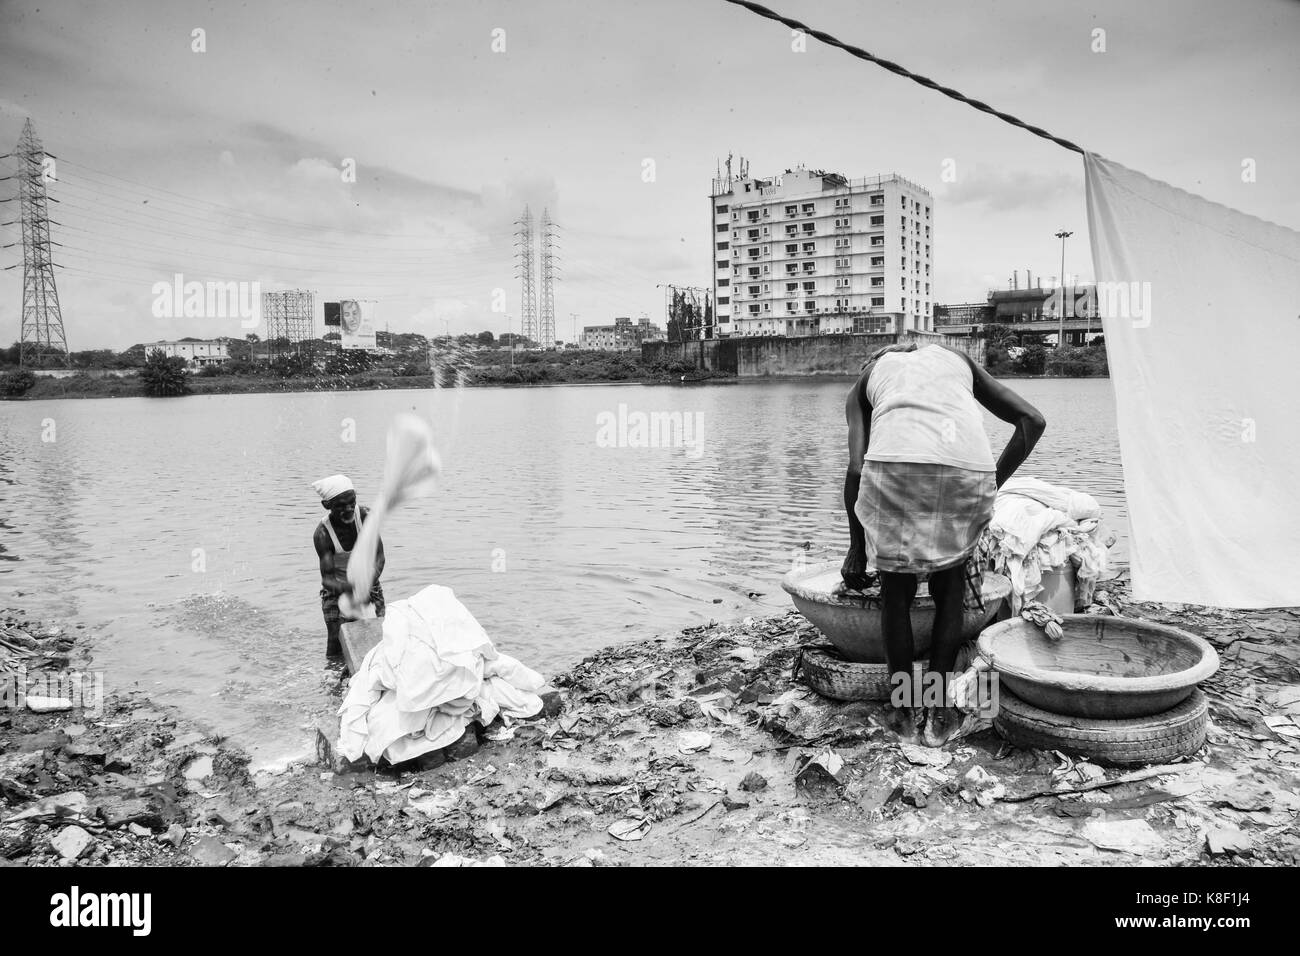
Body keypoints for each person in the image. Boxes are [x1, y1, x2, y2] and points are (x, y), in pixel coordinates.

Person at [842, 343, 1045, 746]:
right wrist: (991, 483)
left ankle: (903, 709)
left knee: (896, 594)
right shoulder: (956, 358)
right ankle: (939, 706)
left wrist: (856, 549)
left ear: (875, 363)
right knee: (949, 589)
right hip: (968, 472)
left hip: (893, 468)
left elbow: (854, 467)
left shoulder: (864, 383)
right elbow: (1032, 421)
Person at [312, 474, 385, 659]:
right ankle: (332, 680)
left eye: (352, 502)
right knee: (336, 643)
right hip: (337, 590)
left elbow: (380, 558)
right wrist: (350, 590)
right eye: (341, 506)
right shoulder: (323, 534)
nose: (349, 509)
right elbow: (328, 579)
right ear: (327, 506)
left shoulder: (366, 517)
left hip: (369, 584)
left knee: (380, 638)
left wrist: (366, 583)